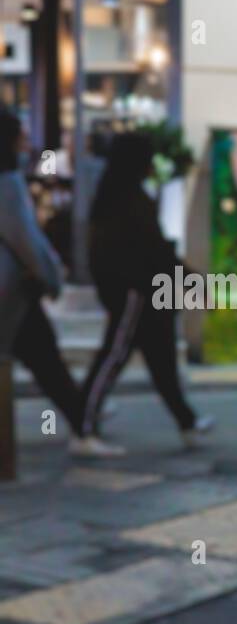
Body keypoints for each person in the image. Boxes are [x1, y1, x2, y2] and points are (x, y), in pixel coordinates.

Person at [0, 107, 122, 458]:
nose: (26, 141)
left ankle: (81, 416)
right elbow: (26, 240)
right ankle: (82, 424)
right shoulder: (8, 183)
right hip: (11, 293)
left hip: (14, 295)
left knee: (46, 361)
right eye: (20, 135)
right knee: (46, 361)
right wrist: (53, 276)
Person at [82, 131, 213, 449]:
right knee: (117, 355)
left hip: (144, 291)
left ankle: (187, 423)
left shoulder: (116, 196)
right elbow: (153, 251)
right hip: (137, 292)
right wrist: (191, 282)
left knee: (160, 359)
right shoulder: (129, 200)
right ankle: (82, 427)